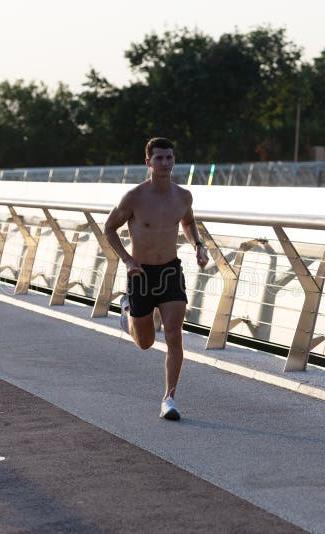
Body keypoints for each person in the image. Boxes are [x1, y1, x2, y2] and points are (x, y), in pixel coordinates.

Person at [104, 137, 209, 420]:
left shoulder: (183, 196)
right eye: (159, 158)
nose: (165, 163)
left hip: (170, 272)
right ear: (148, 162)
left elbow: (187, 222)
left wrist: (198, 245)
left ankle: (169, 398)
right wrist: (127, 260)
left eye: (169, 158)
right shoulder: (134, 197)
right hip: (141, 274)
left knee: (174, 334)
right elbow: (109, 228)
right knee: (145, 342)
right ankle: (126, 310)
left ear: (174, 161)